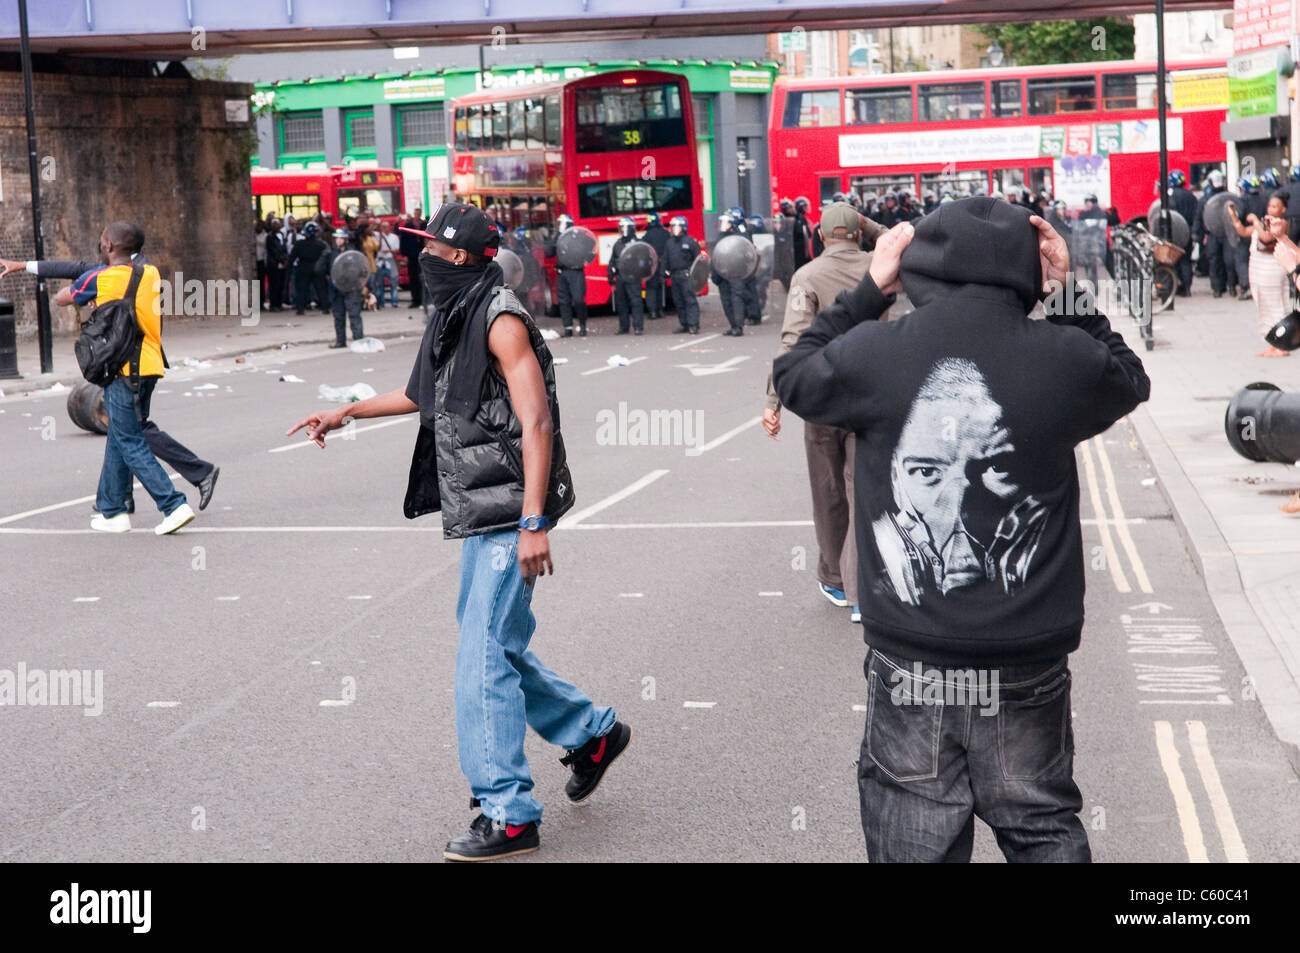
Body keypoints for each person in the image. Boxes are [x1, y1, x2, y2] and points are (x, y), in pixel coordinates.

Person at [773, 197, 1150, 862]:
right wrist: (1068, 292)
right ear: (1028, 270)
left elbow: (794, 375)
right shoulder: (1062, 357)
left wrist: (866, 290)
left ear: (918, 270)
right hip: (1027, 658)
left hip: (911, 661)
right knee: (1041, 824)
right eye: (928, 469)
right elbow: (1128, 376)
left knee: (914, 836)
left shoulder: (876, 352)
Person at [288, 203, 629, 862]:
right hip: (482, 506)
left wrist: (534, 520)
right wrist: (346, 411)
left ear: (468, 258)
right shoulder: (451, 312)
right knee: (493, 642)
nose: (424, 260)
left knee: (480, 657)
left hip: (510, 508)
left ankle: (508, 811)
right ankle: (591, 734)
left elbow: (536, 421)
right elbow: (419, 394)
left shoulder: (500, 319)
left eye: (435, 252)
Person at [1, 247, 221, 515]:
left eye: (105, 244)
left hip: (129, 366)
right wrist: (24, 265)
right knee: (122, 431)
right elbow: (76, 268)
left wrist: (94, 294)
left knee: (133, 433)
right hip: (144, 363)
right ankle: (117, 500)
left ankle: (181, 492)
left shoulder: (124, 274)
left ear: (113, 248)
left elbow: (70, 291)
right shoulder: (139, 270)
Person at [764, 204, 885, 624]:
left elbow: (791, 342)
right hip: (872, 391)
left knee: (828, 490)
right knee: (863, 491)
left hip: (821, 395)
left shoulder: (808, 275)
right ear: (859, 233)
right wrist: (870, 227)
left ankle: (837, 579)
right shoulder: (879, 264)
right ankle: (861, 589)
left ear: (818, 235)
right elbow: (909, 243)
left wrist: (773, 400)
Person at [54, 223, 199, 536]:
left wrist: (89, 294)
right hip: (151, 366)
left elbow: (63, 298)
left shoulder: (100, 278)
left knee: (130, 441)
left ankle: (173, 504)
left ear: (107, 245)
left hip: (121, 371)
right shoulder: (150, 273)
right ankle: (113, 511)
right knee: (120, 436)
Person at [1227, 189, 1292, 357]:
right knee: (1265, 307)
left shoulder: (1282, 223)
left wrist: (1256, 221)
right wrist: (1234, 215)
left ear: (1283, 209)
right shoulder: (1265, 223)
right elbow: (1243, 231)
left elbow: (1266, 238)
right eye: (1270, 205)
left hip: (1272, 270)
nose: (1271, 209)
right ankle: (1273, 343)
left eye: (1275, 206)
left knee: (1276, 305)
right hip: (1258, 270)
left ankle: (1282, 344)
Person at [542, 213, 587, 337]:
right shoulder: (558, 237)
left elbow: (584, 250)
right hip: (562, 272)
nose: (559, 226)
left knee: (578, 300)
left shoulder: (577, 237)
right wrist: (557, 237)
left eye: (561, 223)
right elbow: (548, 253)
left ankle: (582, 325)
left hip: (575, 271)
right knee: (564, 301)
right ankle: (568, 328)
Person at [322, 228, 364, 348]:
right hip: (337, 290)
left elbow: (361, 270)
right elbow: (319, 270)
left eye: (341, 238)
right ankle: (341, 341)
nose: (338, 241)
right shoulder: (331, 253)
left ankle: (358, 341)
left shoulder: (352, 253)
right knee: (339, 316)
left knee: (354, 315)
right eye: (337, 238)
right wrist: (323, 256)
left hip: (351, 289)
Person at [1193, 170, 1229, 297]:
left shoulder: (1205, 199)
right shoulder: (1228, 197)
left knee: (1214, 261)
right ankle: (1228, 287)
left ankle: (1217, 289)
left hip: (1213, 234)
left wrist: (1197, 234)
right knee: (1226, 261)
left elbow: (1199, 218)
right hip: (1225, 234)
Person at [607, 216, 646, 336]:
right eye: (621, 227)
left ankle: (638, 327)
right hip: (620, 276)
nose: (623, 230)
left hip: (633, 276)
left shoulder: (637, 244)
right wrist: (610, 272)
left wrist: (637, 269)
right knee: (621, 302)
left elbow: (643, 261)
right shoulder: (618, 244)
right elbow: (612, 260)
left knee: (636, 302)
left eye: (625, 227)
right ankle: (624, 327)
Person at [664, 215, 701, 335]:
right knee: (678, 302)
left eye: (677, 226)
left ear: (683, 227)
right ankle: (684, 323)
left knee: (690, 301)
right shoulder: (669, 243)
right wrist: (664, 270)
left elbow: (698, 259)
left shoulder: (690, 241)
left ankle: (693, 324)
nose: (674, 229)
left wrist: (696, 275)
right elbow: (665, 258)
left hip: (686, 275)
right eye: (673, 226)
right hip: (674, 276)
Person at [712, 213, 747, 337]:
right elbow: (715, 257)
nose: (722, 225)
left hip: (735, 273)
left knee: (736, 300)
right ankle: (732, 325)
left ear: (731, 225)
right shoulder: (720, 237)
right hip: (723, 274)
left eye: (725, 223)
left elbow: (744, 256)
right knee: (726, 301)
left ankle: (739, 326)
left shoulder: (738, 237)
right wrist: (714, 274)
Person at [1165, 170, 1198, 296]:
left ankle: (1179, 286)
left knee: (1176, 260)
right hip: (1188, 232)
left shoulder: (1172, 196)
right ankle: (1188, 287)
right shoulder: (1191, 196)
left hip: (1176, 232)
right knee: (1187, 260)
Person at [288, 222, 328, 315]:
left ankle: (300, 308)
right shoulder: (321, 245)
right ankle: (325, 307)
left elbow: (292, 257)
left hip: (303, 268)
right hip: (317, 268)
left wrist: (289, 266)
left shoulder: (299, 244)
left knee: (302, 289)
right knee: (321, 289)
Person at [642, 213, 670, 319]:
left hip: (652, 265)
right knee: (661, 287)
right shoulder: (665, 233)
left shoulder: (647, 235)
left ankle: (653, 311)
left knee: (651, 289)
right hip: (663, 265)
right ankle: (660, 310)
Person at [400, 209, 426, 313]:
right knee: (413, 277)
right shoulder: (408, 225)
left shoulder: (424, 224)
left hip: (422, 253)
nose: (417, 215)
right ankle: (415, 299)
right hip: (412, 255)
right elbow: (403, 241)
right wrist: (404, 255)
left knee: (423, 277)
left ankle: (424, 299)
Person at [374, 220, 401, 309]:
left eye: (386, 227)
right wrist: (381, 236)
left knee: (394, 283)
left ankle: (394, 302)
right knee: (380, 284)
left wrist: (389, 251)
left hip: (390, 260)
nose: (384, 228)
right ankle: (381, 302)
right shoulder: (377, 236)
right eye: (383, 227)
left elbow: (397, 250)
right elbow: (377, 248)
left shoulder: (394, 237)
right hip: (380, 261)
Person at [264, 216, 287, 312]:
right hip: (274, 264)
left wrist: (285, 260)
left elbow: (284, 249)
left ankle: (279, 303)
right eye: (274, 224)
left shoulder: (281, 234)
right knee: (274, 285)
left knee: (281, 284)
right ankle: (273, 304)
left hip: (282, 263)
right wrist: (281, 260)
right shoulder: (270, 237)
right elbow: (273, 251)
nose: (276, 226)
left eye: (277, 224)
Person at [792, 196, 813, 272]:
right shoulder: (798, 220)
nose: (807, 208)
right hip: (799, 254)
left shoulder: (803, 219)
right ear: (801, 207)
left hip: (804, 254)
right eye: (805, 206)